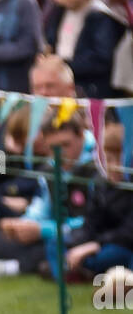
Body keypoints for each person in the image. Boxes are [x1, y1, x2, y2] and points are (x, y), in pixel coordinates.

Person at [0, 111, 97, 276]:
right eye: (53, 148)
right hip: (54, 229)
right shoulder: (46, 166)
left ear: (81, 135)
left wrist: (42, 230)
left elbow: (91, 224)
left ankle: (8, 268)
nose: (59, 154)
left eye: (65, 145)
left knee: (56, 245)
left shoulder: (96, 167)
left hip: (85, 235)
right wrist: (22, 225)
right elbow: (40, 206)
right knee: (2, 242)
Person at [43, 0, 126, 97]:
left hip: (93, 87)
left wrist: (65, 65)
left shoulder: (99, 16)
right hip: (66, 82)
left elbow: (102, 59)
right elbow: (52, 42)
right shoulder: (58, 13)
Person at [66, 119, 133, 278]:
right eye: (108, 159)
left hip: (121, 244)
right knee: (61, 243)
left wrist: (96, 244)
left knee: (108, 256)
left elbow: (128, 232)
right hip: (103, 240)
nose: (113, 166)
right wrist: (79, 242)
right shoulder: (100, 185)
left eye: (120, 160)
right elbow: (91, 221)